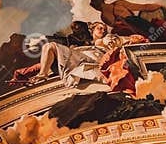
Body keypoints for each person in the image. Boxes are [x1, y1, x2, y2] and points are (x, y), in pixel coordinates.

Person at [16, 21, 147, 94]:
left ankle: (42, 75)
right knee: (49, 47)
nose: (103, 30)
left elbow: (132, 39)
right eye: (99, 28)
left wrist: (117, 41)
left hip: (93, 60)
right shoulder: (81, 44)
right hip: (77, 58)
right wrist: (26, 73)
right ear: (92, 30)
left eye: (104, 29)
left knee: (51, 47)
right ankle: (42, 76)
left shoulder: (108, 39)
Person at [90, 0, 166, 43]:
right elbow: (143, 7)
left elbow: (143, 8)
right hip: (135, 25)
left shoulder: (104, 17)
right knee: (159, 36)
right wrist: (158, 6)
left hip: (128, 32)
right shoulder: (118, 4)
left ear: (96, 6)